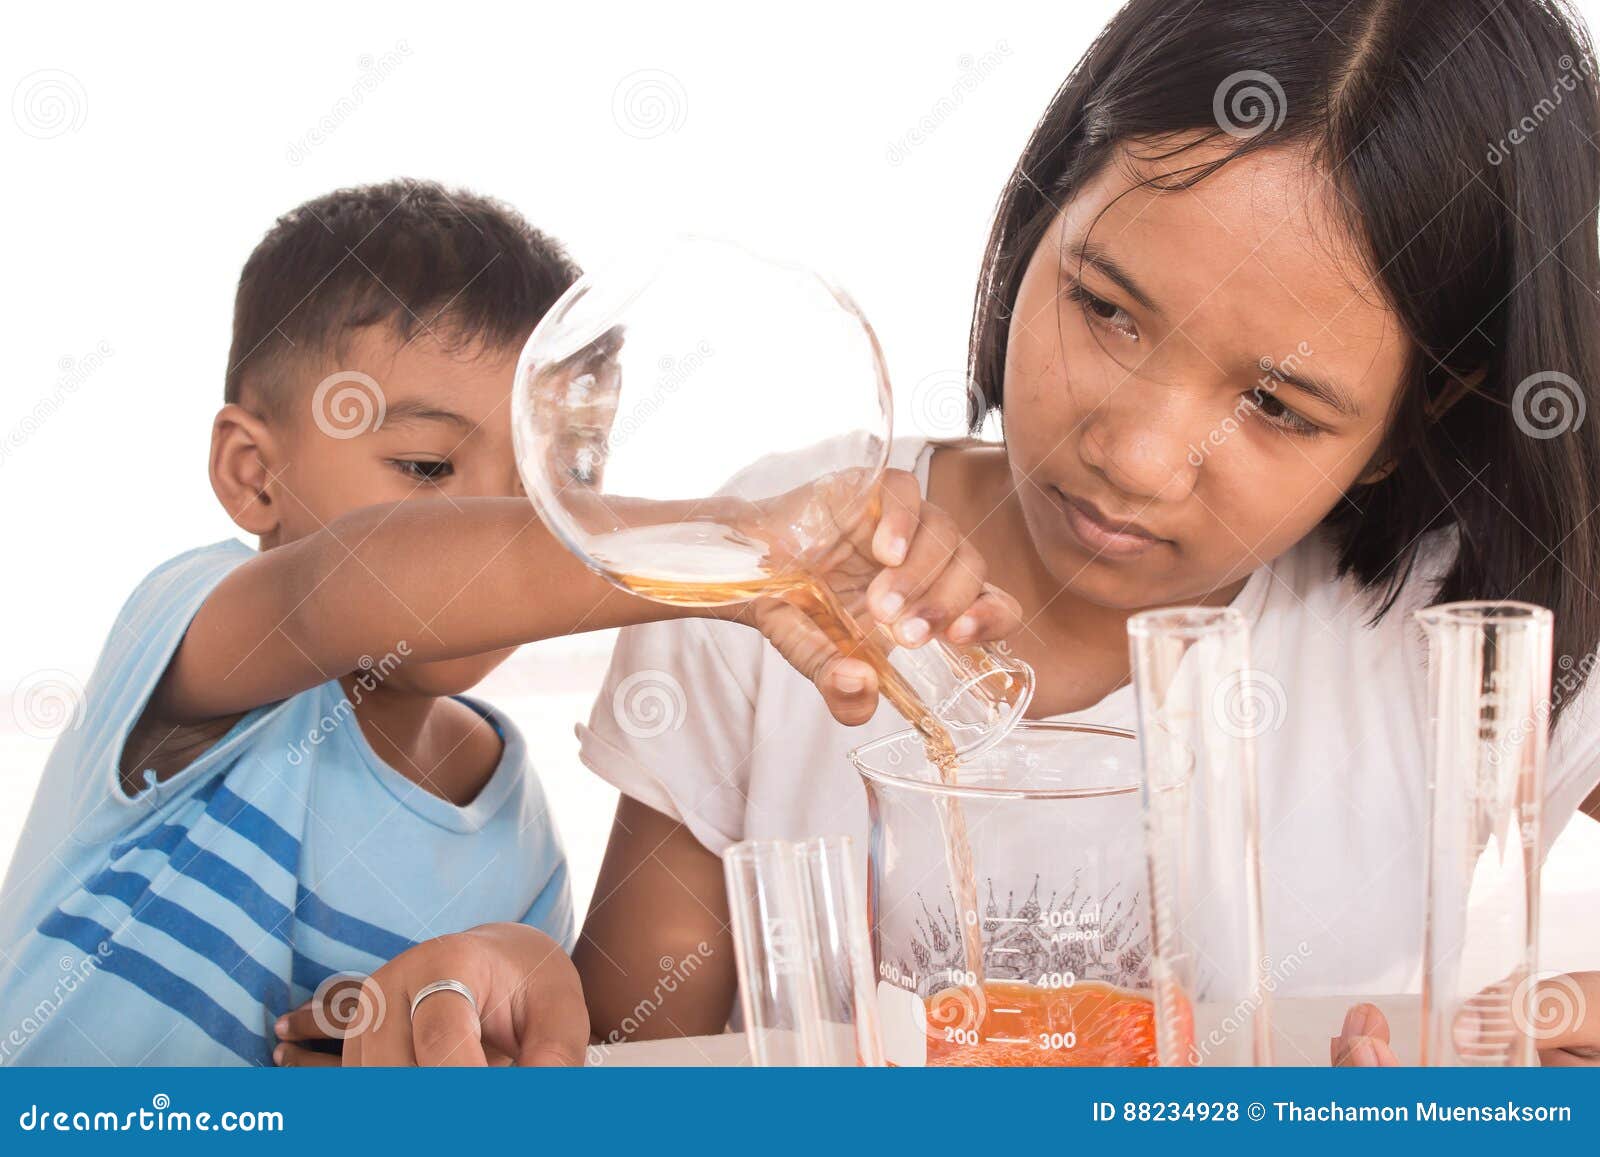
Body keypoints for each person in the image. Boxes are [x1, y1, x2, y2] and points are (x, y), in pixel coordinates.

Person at [564, 0, 1600, 1066]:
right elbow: (624, 1060)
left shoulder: (1476, 643)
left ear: (1413, 420)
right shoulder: (779, 566)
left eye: (1279, 407)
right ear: (1038, 211)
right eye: (1107, 308)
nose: (1140, 454)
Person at [0, 180, 1015, 1066]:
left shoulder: (515, 831)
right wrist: (736, 543)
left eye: (558, 475)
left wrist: (518, 989)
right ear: (251, 473)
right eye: (428, 467)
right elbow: (359, 583)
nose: (514, 513)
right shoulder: (199, 633)